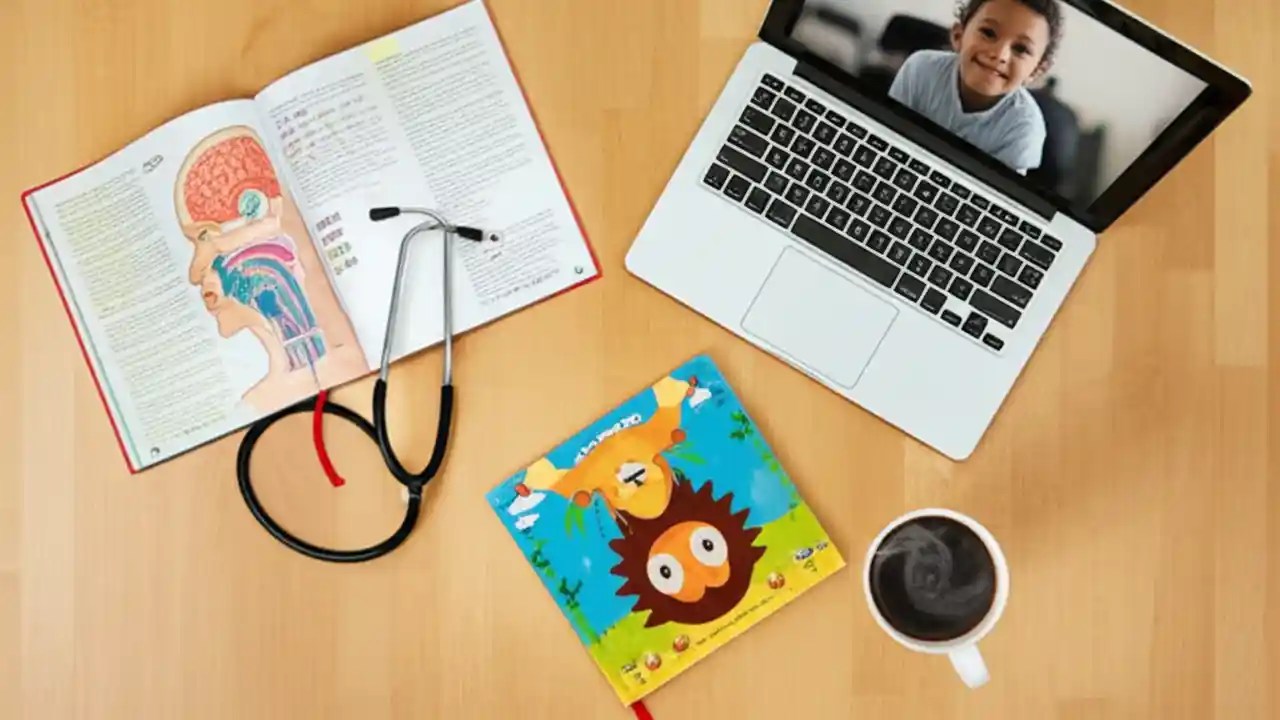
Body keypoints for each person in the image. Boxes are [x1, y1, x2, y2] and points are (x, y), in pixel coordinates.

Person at [887, 0, 1063, 174]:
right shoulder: (920, 68)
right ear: (958, 36)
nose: (1000, 54)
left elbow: (994, 188)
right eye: (988, 33)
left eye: (1021, 49)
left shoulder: (1024, 127)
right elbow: (889, 135)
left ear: (1036, 71)